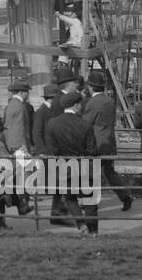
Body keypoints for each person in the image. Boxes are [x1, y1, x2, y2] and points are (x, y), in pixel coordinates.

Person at [43, 91, 100, 235]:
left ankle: (81, 224)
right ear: (75, 105)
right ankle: (93, 230)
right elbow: (92, 150)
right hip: (83, 166)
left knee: (70, 198)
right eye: (80, 104)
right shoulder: (85, 124)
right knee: (90, 199)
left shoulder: (52, 123)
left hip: (63, 166)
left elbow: (52, 149)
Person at [83, 70, 133, 211]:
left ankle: (91, 204)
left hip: (96, 143)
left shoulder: (92, 103)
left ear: (90, 87)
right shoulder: (109, 101)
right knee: (110, 172)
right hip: (109, 141)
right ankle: (125, 196)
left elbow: (86, 123)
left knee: (92, 174)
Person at [3, 79, 32, 154]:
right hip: (20, 146)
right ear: (21, 92)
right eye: (27, 92)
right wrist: (23, 145)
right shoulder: (20, 106)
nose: (28, 94)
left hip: (11, 144)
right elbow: (20, 127)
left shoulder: (10, 104)